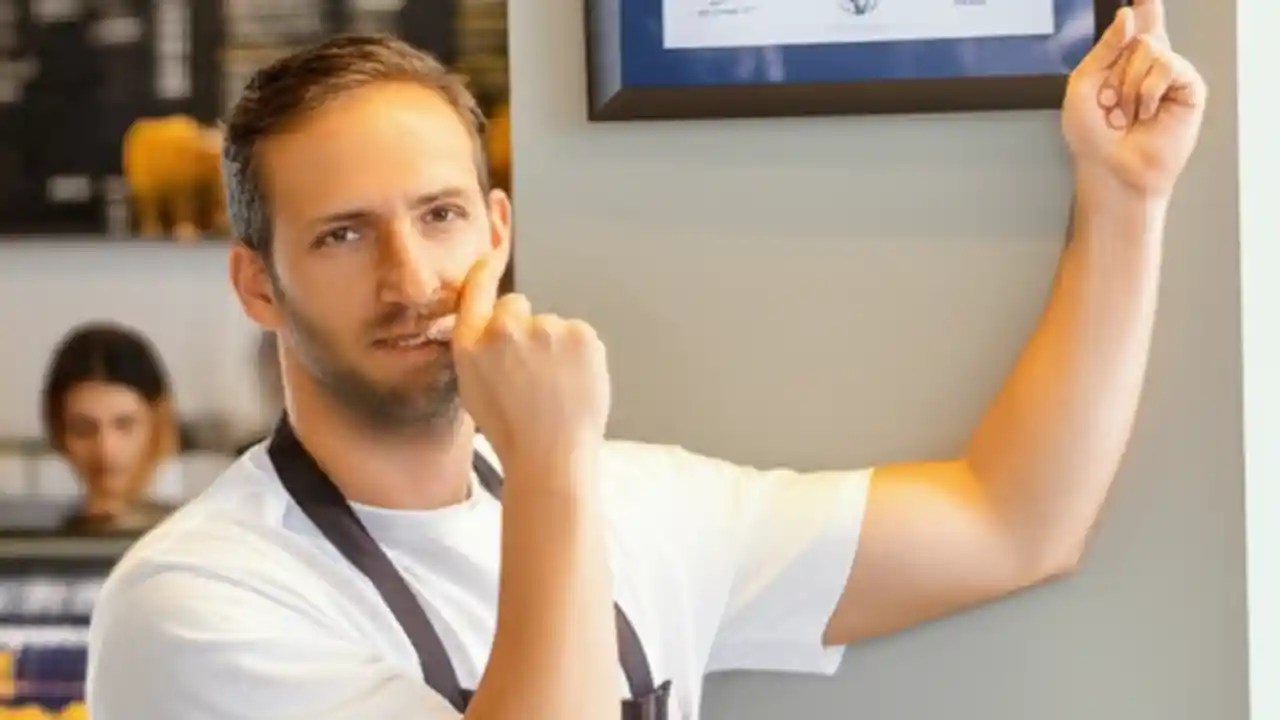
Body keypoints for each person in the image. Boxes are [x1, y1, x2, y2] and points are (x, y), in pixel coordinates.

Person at [85, 2, 1207, 718]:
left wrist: (1123, 195)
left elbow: (1012, 522)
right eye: (341, 234)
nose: (407, 276)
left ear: (497, 232)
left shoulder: (642, 504)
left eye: (437, 216)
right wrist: (556, 464)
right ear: (254, 283)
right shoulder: (196, 600)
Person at [41, 322, 179, 535]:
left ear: (158, 425)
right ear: (58, 430)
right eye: (83, 429)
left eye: (125, 425)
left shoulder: (202, 537)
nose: (105, 449)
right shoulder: (35, 548)